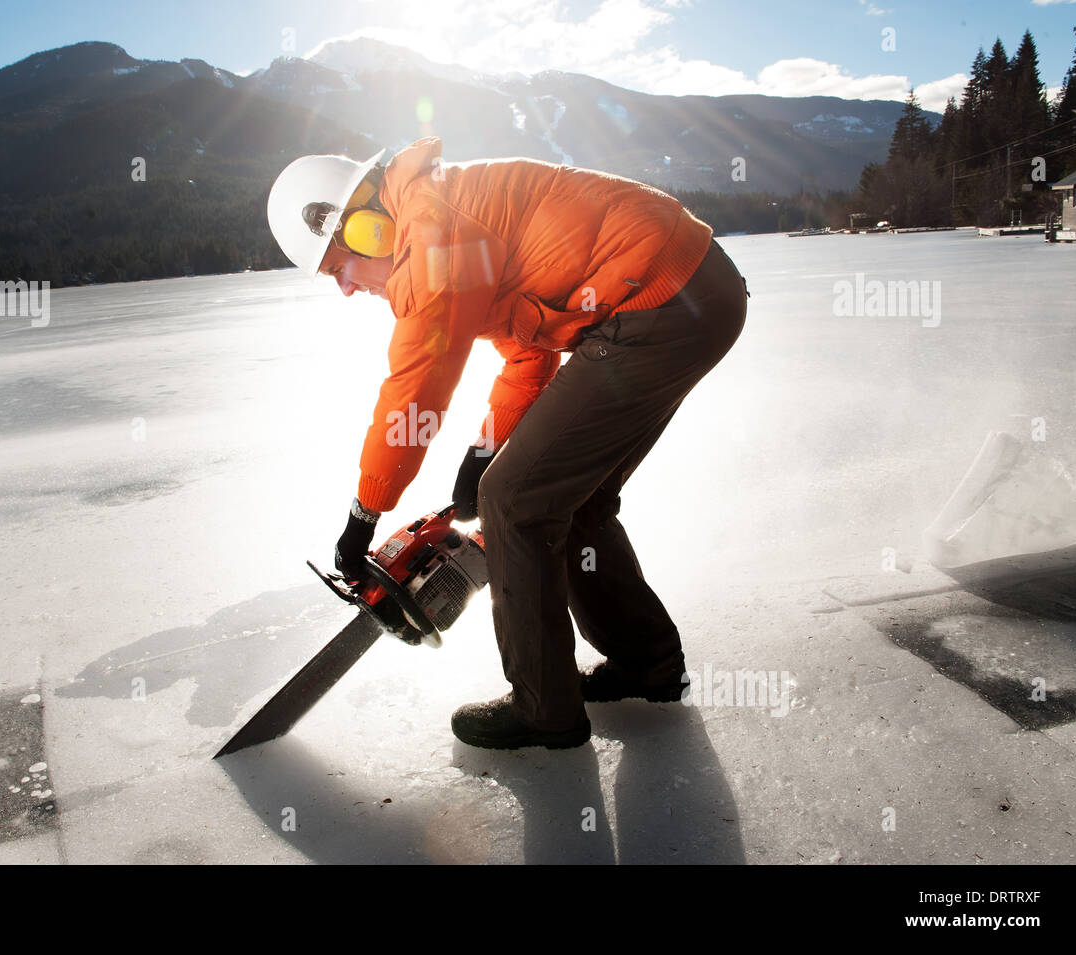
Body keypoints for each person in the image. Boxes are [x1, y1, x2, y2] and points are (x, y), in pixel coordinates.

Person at [266, 136, 748, 750]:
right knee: (570, 500)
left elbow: (414, 391)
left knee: (517, 503)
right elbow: (528, 350)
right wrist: (486, 447)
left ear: (366, 231)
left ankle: (545, 708)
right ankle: (645, 667)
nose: (345, 288)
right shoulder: (439, 212)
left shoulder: (432, 239)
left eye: (339, 267)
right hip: (692, 293)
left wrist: (366, 512)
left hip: (658, 306)